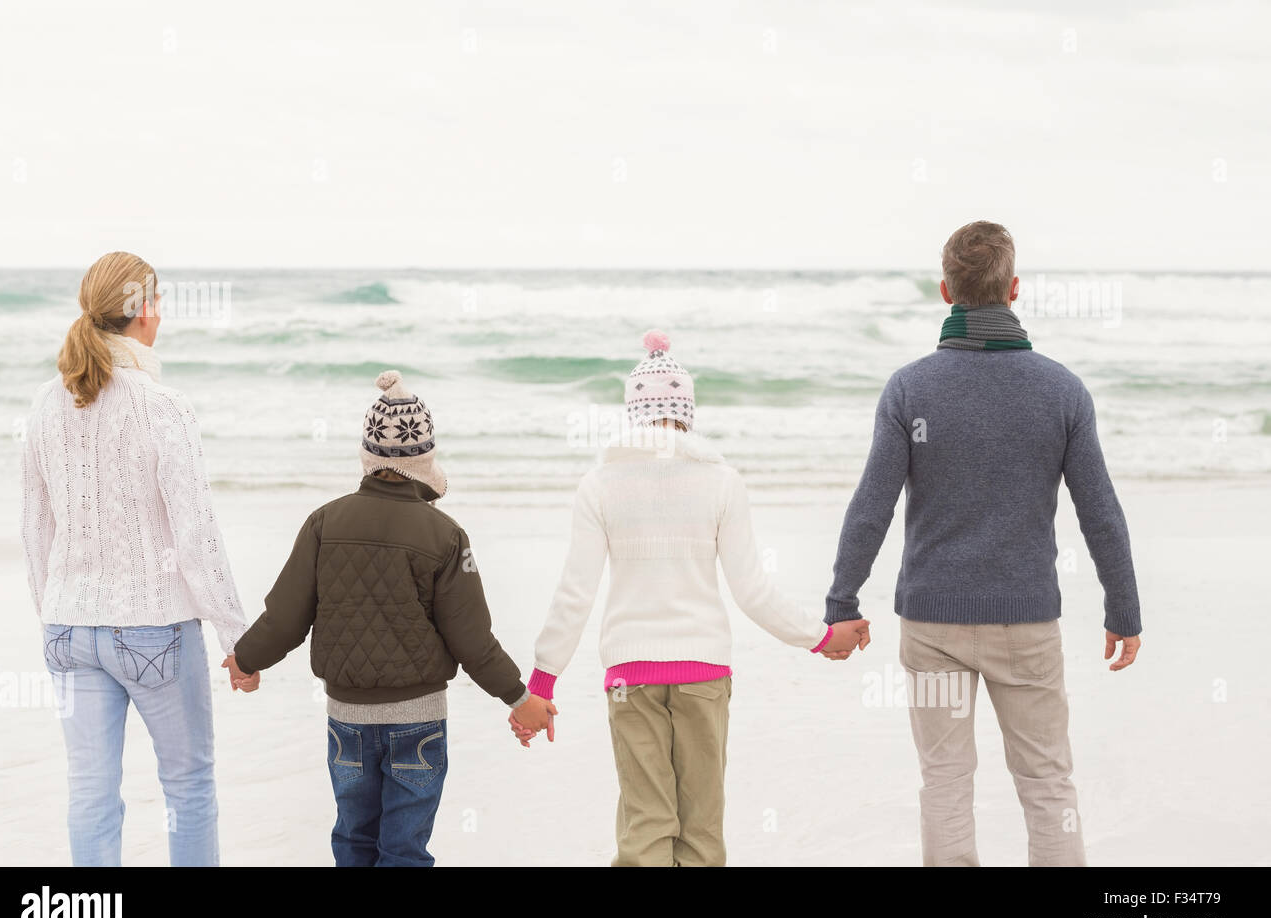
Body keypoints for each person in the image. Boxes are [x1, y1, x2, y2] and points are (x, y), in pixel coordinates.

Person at [823, 221, 1143, 866]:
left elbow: (871, 507)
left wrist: (843, 602)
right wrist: (1124, 610)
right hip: (1025, 624)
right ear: (1014, 290)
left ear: (946, 291)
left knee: (944, 780)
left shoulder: (911, 388)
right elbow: (1100, 511)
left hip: (934, 623)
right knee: (1048, 781)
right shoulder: (1061, 390)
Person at [512, 331, 870, 866]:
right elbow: (753, 590)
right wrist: (819, 638)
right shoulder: (722, 482)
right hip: (704, 673)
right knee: (701, 828)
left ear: (633, 413)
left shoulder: (600, 484)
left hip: (629, 677)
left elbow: (575, 592)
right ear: (687, 412)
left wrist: (540, 684)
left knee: (646, 823)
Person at [227, 371, 555, 866]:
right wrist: (519, 697)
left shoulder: (324, 522)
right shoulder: (447, 535)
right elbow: (472, 639)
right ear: (426, 460)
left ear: (367, 454)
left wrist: (247, 659)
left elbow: (287, 615)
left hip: (347, 719)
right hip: (418, 720)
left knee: (354, 839)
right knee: (404, 849)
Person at [21, 251, 249, 866]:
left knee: (90, 796)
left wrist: (56, 611)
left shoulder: (46, 403)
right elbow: (196, 535)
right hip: (154, 630)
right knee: (189, 789)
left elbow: (34, 530)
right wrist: (238, 640)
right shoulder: (161, 405)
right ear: (145, 310)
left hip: (68, 629)